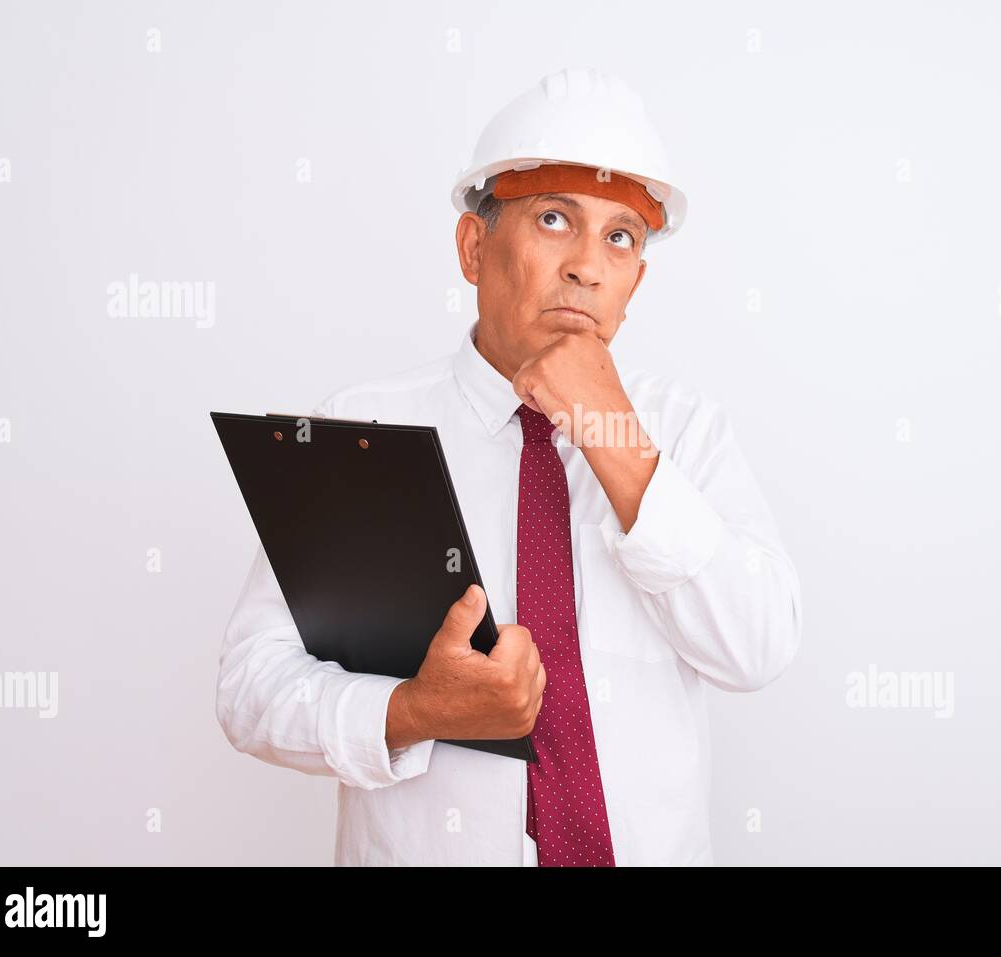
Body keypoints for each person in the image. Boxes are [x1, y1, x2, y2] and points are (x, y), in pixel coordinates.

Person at [216, 67, 803, 866]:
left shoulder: (687, 433)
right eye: (555, 219)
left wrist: (614, 436)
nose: (587, 266)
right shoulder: (363, 428)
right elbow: (250, 689)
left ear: (635, 284)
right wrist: (412, 710)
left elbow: (759, 646)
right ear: (474, 245)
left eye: (620, 237)